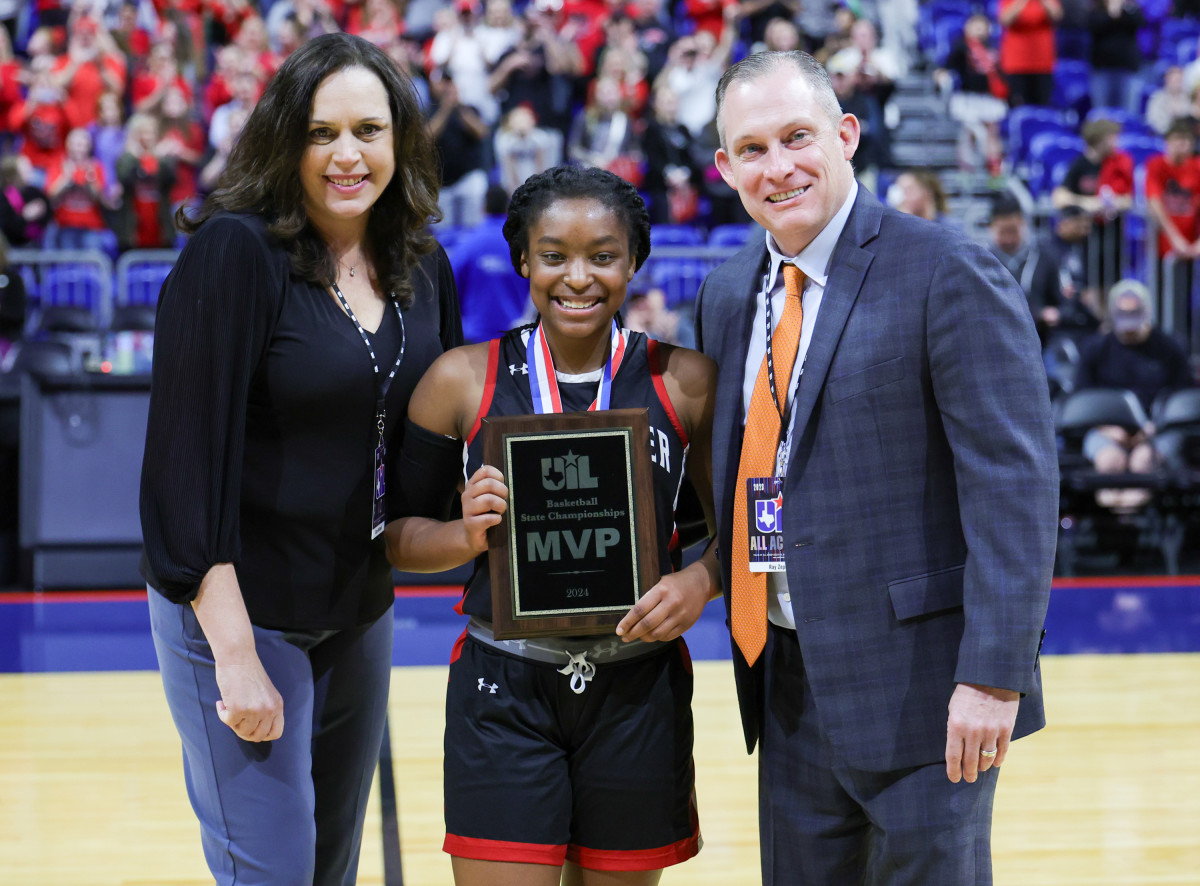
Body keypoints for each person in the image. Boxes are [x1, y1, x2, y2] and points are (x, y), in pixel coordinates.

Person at [698, 50, 1058, 884]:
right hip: (786, 681)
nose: (778, 166)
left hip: (927, 693)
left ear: (846, 134)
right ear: (725, 168)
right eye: (751, 149)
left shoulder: (945, 269)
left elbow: (1015, 488)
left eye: (797, 136)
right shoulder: (724, 296)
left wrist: (993, 679)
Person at [139, 32, 460, 886]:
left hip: (358, 608)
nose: (348, 155)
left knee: (329, 870)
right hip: (240, 608)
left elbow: (438, 446)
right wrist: (236, 657)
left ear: (400, 140)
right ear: (286, 139)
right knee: (272, 872)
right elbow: (183, 466)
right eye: (322, 133)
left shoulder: (424, 269)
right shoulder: (235, 252)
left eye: (369, 129)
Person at [387, 165, 720, 886]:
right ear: (522, 262)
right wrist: (463, 535)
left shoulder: (687, 380)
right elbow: (396, 536)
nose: (579, 277)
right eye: (554, 256)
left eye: (603, 255)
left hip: (637, 690)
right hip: (505, 690)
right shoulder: (459, 380)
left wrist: (700, 579)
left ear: (634, 261)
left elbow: (745, 529)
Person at [1073, 279, 1195, 501]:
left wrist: (1153, 428)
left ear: (1147, 311)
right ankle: (1109, 523)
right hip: (1105, 430)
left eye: (1134, 312)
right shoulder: (1095, 349)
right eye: (1122, 312)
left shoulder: (1169, 347)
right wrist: (1107, 429)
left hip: (1157, 429)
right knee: (1110, 462)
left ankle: (1133, 520)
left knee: (1143, 462)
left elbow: (1181, 396)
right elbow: (1082, 397)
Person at [987, 191, 1064, 342]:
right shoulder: (981, 261)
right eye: (1003, 232)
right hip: (996, 339)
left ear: (1023, 224)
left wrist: (1054, 313)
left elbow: (1062, 303)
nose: (1008, 239)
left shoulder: (1044, 257)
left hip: (1040, 337)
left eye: (1013, 231)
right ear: (992, 228)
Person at [998, 0, 1062, 107]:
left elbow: (1057, 16)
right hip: (1016, 63)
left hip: (1043, 62)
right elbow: (1005, 20)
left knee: (1043, 108)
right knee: (1019, 108)